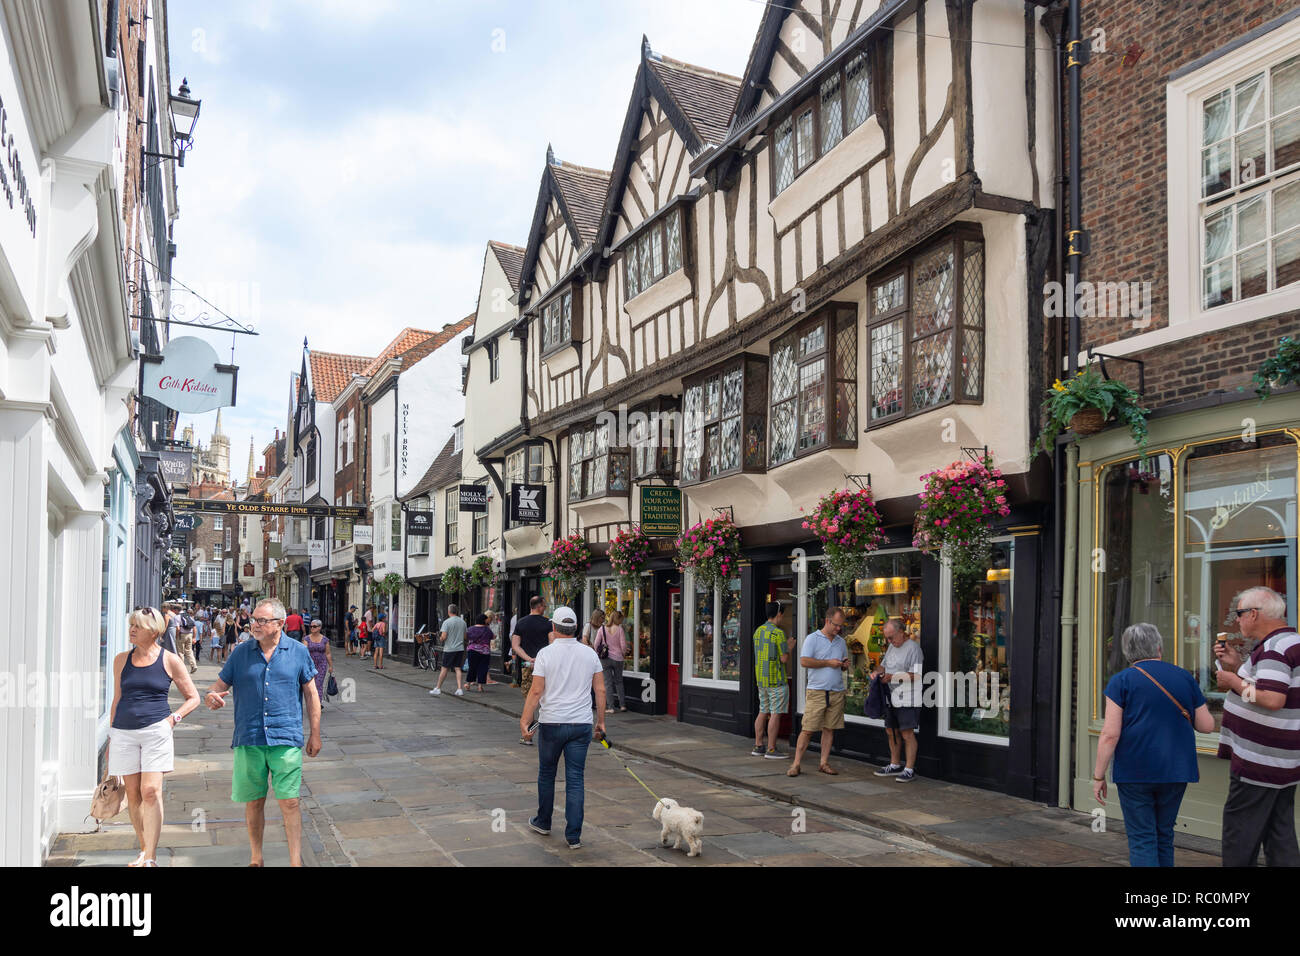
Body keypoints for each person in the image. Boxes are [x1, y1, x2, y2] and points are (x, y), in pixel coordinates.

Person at [204, 598, 321, 867]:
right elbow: (217, 685)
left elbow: (312, 695)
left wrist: (315, 733)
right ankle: (256, 858)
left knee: (290, 802)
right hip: (249, 737)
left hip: (286, 737)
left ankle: (295, 862)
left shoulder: (298, 652)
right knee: (254, 802)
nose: (253, 624)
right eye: (253, 619)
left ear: (279, 624)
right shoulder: (241, 653)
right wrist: (211, 695)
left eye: (261, 620)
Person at [1092, 623, 1215, 866]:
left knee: (1142, 838)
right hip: (1176, 769)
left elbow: (1109, 734)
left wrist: (1098, 776)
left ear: (1128, 652)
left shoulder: (1121, 681)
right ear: (1159, 647)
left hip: (1135, 771)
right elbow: (1207, 726)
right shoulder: (1184, 676)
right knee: (1164, 835)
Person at [109, 607, 201, 867]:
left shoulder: (169, 660)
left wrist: (173, 720)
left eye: (137, 626)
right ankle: (143, 849)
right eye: (131, 625)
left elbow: (194, 698)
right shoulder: (120, 660)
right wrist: (112, 736)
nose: (132, 630)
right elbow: (117, 699)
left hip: (156, 732)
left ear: (154, 631)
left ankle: (151, 856)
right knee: (134, 795)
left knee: (151, 791)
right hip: (124, 732)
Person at [1215, 586, 1300, 866]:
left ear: (1254, 614)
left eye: (1239, 614)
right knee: (1280, 833)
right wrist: (1238, 664)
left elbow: (1272, 698)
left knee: (1240, 836)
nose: (1236, 620)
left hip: (1260, 762)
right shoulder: (1289, 643)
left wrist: (1232, 682)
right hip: (1282, 760)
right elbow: (1270, 688)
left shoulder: (1275, 648)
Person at [520, 606, 605, 849]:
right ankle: (574, 835)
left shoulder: (546, 654)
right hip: (581, 724)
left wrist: (525, 720)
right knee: (576, 778)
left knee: (547, 774)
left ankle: (543, 822)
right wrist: (601, 722)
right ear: (576, 628)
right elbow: (600, 689)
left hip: (552, 723)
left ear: (554, 628)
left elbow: (536, 691)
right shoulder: (589, 654)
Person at [788, 607, 849, 777]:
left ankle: (824, 762)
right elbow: (804, 661)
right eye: (836, 625)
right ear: (827, 621)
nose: (839, 629)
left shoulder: (841, 642)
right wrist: (828, 663)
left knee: (829, 729)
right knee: (808, 728)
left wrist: (844, 665)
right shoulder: (812, 639)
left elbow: (841, 665)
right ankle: (796, 764)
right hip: (817, 691)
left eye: (841, 626)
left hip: (836, 691)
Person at [874, 620, 925, 781]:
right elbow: (883, 666)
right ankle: (895, 764)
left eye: (891, 637)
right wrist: (877, 673)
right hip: (891, 695)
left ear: (902, 632)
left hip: (908, 696)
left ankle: (909, 769)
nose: (889, 641)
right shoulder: (891, 647)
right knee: (891, 730)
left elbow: (916, 675)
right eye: (887, 638)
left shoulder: (914, 649)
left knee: (907, 733)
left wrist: (892, 677)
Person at [752, 600, 794, 758]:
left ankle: (758, 745)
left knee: (763, 711)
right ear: (779, 614)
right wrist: (789, 647)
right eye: (782, 614)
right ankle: (771, 749)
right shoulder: (778, 633)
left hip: (761, 679)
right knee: (775, 713)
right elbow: (784, 658)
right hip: (776, 679)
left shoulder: (758, 631)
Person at [511, 596, 552, 744]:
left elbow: (515, 645)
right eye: (544, 605)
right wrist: (541, 659)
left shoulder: (521, 622)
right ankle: (549, 734)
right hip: (546, 667)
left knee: (530, 701)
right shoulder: (548, 623)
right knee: (547, 699)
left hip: (528, 668)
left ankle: (527, 735)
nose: (545, 608)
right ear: (539, 606)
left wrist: (529, 659)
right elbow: (552, 643)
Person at [430, 605, 467, 696]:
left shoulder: (446, 622)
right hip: (460, 649)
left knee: (444, 669)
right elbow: (465, 637)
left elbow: (444, 637)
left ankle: (438, 688)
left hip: (449, 649)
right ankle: (459, 689)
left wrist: (440, 638)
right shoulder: (463, 622)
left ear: (448, 611)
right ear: (457, 611)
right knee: (458, 668)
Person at [595, 609, 628, 713]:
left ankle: (610, 707)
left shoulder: (602, 629)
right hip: (618, 659)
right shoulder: (620, 629)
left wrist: (598, 654)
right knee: (619, 682)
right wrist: (623, 654)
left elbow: (596, 644)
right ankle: (622, 705)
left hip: (605, 659)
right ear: (618, 619)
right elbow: (623, 645)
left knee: (608, 683)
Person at [305, 620, 333, 712]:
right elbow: (303, 652)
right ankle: (312, 702)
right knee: (310, 685)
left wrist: (331, 666)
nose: (312, 628)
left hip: (322, 664)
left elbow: (328, 653)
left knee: (318, 684)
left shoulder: (325, 640)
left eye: (314, 626)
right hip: (310, 665)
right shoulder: (306, 639)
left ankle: (317, 703)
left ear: (319, 627)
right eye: (311, 626)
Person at [465, 613, 494, 692]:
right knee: (483, 668)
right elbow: (493, 636)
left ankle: (468, 684)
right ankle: (480, 686)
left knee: (472, 667)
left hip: (472, 650)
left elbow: (466, 637)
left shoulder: (470, 629)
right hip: (484, 652)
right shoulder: (487, 629)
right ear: (484, 620)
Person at [176, 604, 198, 674]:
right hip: (190, 635)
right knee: (189, 651)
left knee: (181, 652)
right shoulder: (189, 617)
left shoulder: (177, 617)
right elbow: (194, 628)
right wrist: (194, 637)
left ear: (177, 610)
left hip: (181, 635)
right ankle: (193, 665)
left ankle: (181, 669)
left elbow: (178, 628)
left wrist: (176, 636)